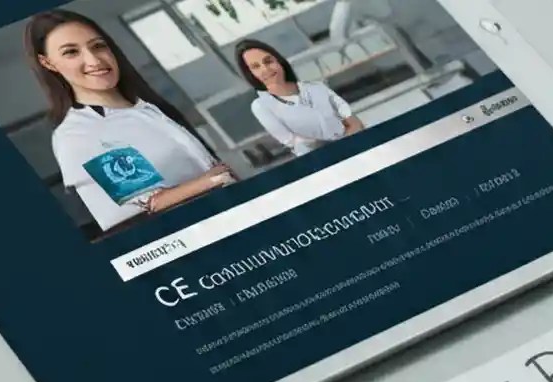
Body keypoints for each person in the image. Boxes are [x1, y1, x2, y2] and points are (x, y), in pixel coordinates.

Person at [24, 10, 235, 237]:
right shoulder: (79, 133)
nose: (94, 60)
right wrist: (219, 177)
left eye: (98, 46)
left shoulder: (148, 108)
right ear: (48, 63)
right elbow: (150, 204)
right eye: (71, 52)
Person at [236, 39, 365, 158]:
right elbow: (295, 142)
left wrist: (351, 142)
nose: (265, 69)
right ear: (250, 74)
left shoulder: (316, 87)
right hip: (323, 161)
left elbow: (354, 121)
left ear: (278, 61)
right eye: (256, 67)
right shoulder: (261, 106)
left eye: (268, 61)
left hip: (360, 148)